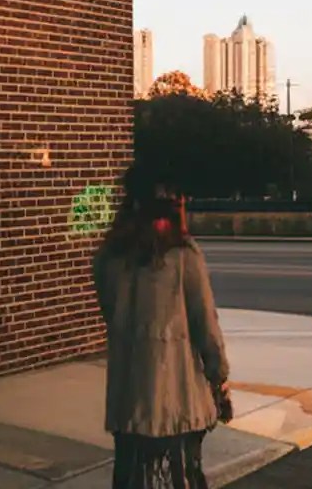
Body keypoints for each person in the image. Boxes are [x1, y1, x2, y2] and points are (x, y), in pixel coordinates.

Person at [91, 165, 231, 489]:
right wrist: (218, 375)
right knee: (181, 473)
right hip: (176, 395)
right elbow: (205, 324)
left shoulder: (109, 256)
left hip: (129, 394)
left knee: (130, 474)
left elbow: (109, 312)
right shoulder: (183, 256)